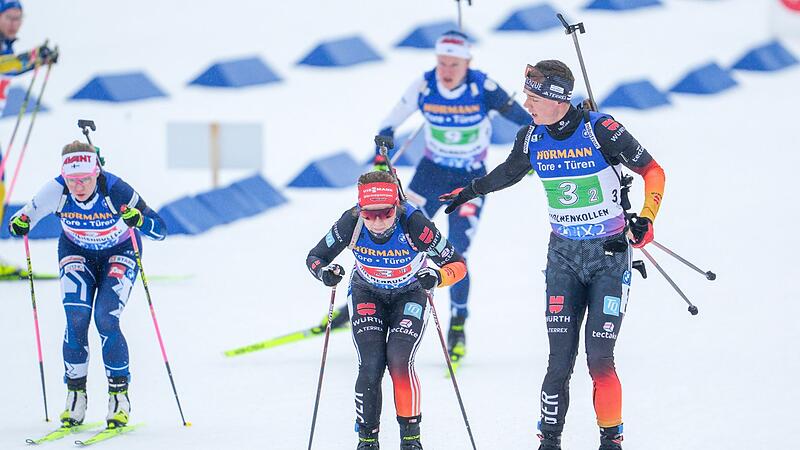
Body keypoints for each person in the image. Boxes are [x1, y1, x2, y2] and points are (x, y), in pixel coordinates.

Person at [440, 60, 666, 450]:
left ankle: (611, 441)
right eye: (526, 96)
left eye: (533, 97)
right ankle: (549, 441)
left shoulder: (600, 130)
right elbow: (508, 173)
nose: (526, 104)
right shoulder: (531, 138)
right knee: (559, 360)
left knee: (599, 358)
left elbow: (654, 171)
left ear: (558, 98)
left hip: (608, 257)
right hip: (562, 256)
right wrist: (469, 191)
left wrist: (646, 219)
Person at [365, 29, 531, 366]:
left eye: (453, 64)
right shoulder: (425, 85)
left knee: (457, 250)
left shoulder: (482, 87)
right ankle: (374, 296)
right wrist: (383, 149)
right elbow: (388, 122)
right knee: (396, 235)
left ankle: (458, 324)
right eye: (442, 62)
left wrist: (536, 149)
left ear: (467, 62)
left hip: (469, 179)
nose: (446, 70)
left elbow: (529, 120)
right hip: (430, 174)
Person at [8, 141, 166, 429]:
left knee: (106, 318)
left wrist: (139, 219)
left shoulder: (116, 189)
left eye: (86, 179)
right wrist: (19, 224)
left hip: (120, 252)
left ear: (97, 173)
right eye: (72, 180)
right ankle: (75, 395)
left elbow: (160, 230)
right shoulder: (55, 190)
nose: (79, 187)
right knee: (77, 318)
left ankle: (119, 398)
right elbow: (21, 220)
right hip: (76, 252)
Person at [306, 170, 468, 449]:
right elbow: (315, 257)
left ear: (397, 206)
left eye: (385, 212)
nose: (378, 222)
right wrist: (325, 274)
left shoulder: (415, 223)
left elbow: (457, 265)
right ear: (360, 209)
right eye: (369, 214)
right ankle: (367, 441)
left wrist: (439, 278)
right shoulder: (351, 223)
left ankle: (411, 441)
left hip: (411, 293)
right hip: (367, 292)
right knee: (370, 366)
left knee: (399, 361)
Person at [0, 0, 57, 278]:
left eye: (19, 18)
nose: (15, 23)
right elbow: (3, 65)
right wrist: (33, 56)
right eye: (10, 17)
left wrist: (38, 60)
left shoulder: (7, 47)